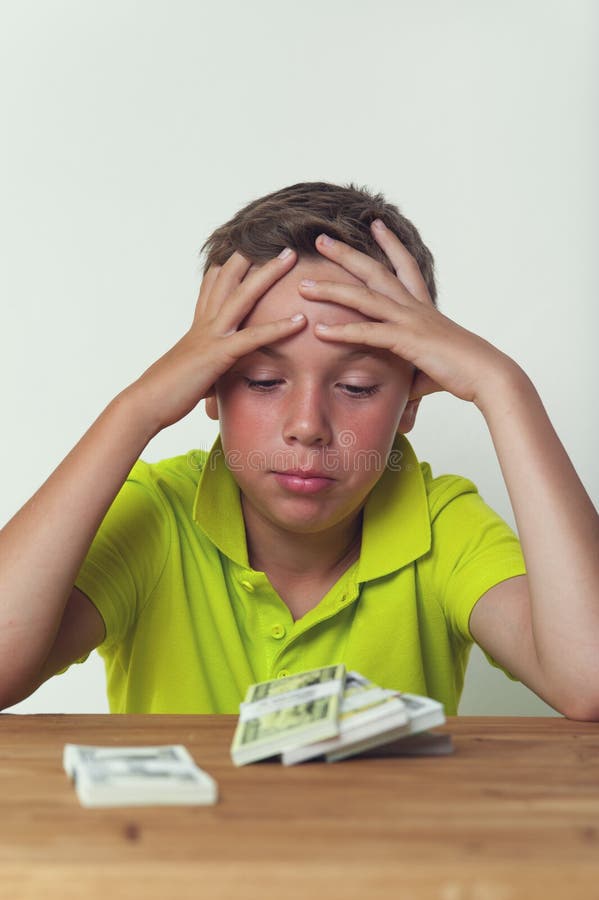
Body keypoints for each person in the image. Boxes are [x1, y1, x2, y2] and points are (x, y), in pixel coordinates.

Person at [1, 181, 598, 718]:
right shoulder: (158, 516)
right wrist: (134, 411)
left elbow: (590, 681)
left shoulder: (443, 526)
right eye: (263, 381)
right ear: (207, 385)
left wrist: (503, 385)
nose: (307, 426)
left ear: (412, 401)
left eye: (357, 387)